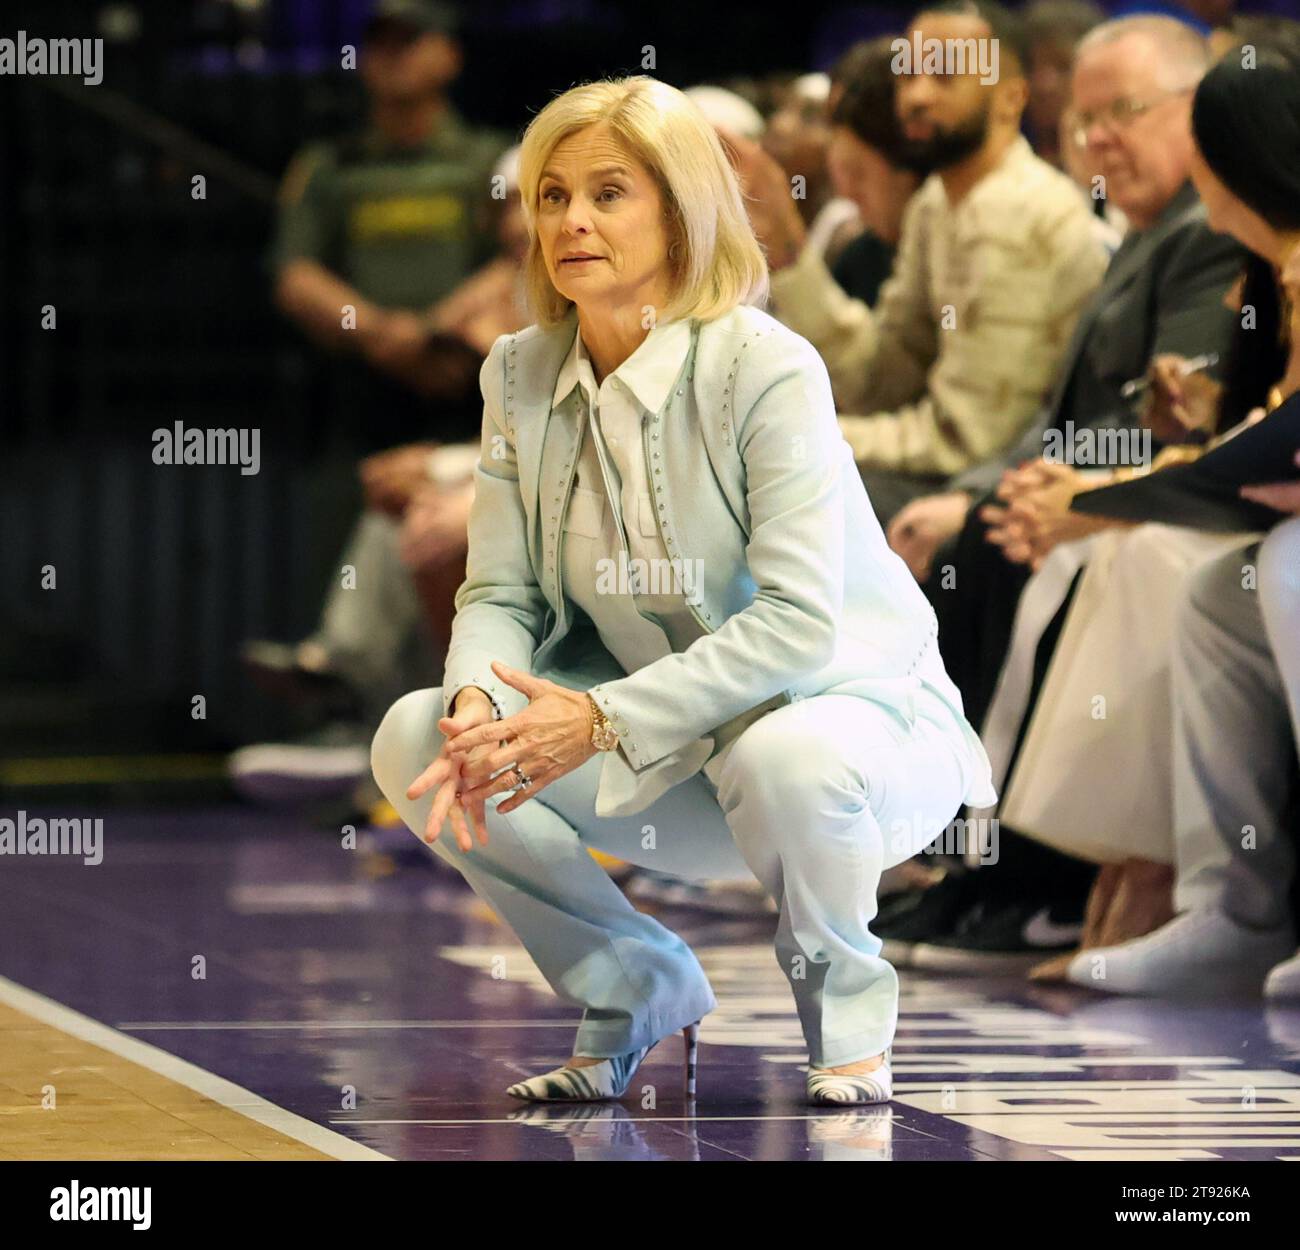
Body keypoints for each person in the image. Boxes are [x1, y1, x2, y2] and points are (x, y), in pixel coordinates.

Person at [369, 75, 996, 1106]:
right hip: (673, 767)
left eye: (608, 193)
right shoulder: (518, 372)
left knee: (785, 750)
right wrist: (478, 699)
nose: (572, 220)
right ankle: (633, 982)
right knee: (420, 733)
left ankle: (846, 1023)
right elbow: (500, 589)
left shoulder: (765, 366)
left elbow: (797, 624)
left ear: (680, 208)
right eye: (551, 195)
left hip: (850, 745)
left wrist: (604, 717)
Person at [871, 15, 1250, 965]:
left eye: (1123, 112)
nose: (1099, 141)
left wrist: (1051, 489)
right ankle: (971, 863)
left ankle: (1031, 872)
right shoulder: (1146, 233)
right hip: (1120, 481)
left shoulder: (1208, 231)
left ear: (1196, 109)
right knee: (992, 529)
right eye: (1083, 123)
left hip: (1181, 498)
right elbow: (1069, 415)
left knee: (1009, 538)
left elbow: (1189, 415)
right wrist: (1002, 484)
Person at [1057, 36, 1300, 997]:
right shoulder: (1266, 271)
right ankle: (1234, 907)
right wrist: (1199, 424)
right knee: (1217, 589)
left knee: (1284, 568)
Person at [757, 1, 1108, 526]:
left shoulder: (1018, 210)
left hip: (1001, 486)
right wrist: (788, 254)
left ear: (1011, 99)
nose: (917, 96)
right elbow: (883, 379)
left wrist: (800, 430)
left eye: (944, 77)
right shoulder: (937, 203)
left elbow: (970, 440)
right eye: (909, 75)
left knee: (779, 495)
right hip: (959, 468)